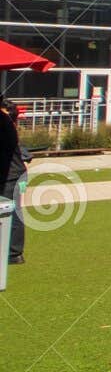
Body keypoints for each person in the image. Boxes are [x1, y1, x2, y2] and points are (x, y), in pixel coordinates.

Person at [1, 98, 27, 266]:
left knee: (13, 211)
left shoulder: (6, 125)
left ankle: (14, 253)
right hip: (13, 174)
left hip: (13, 175)